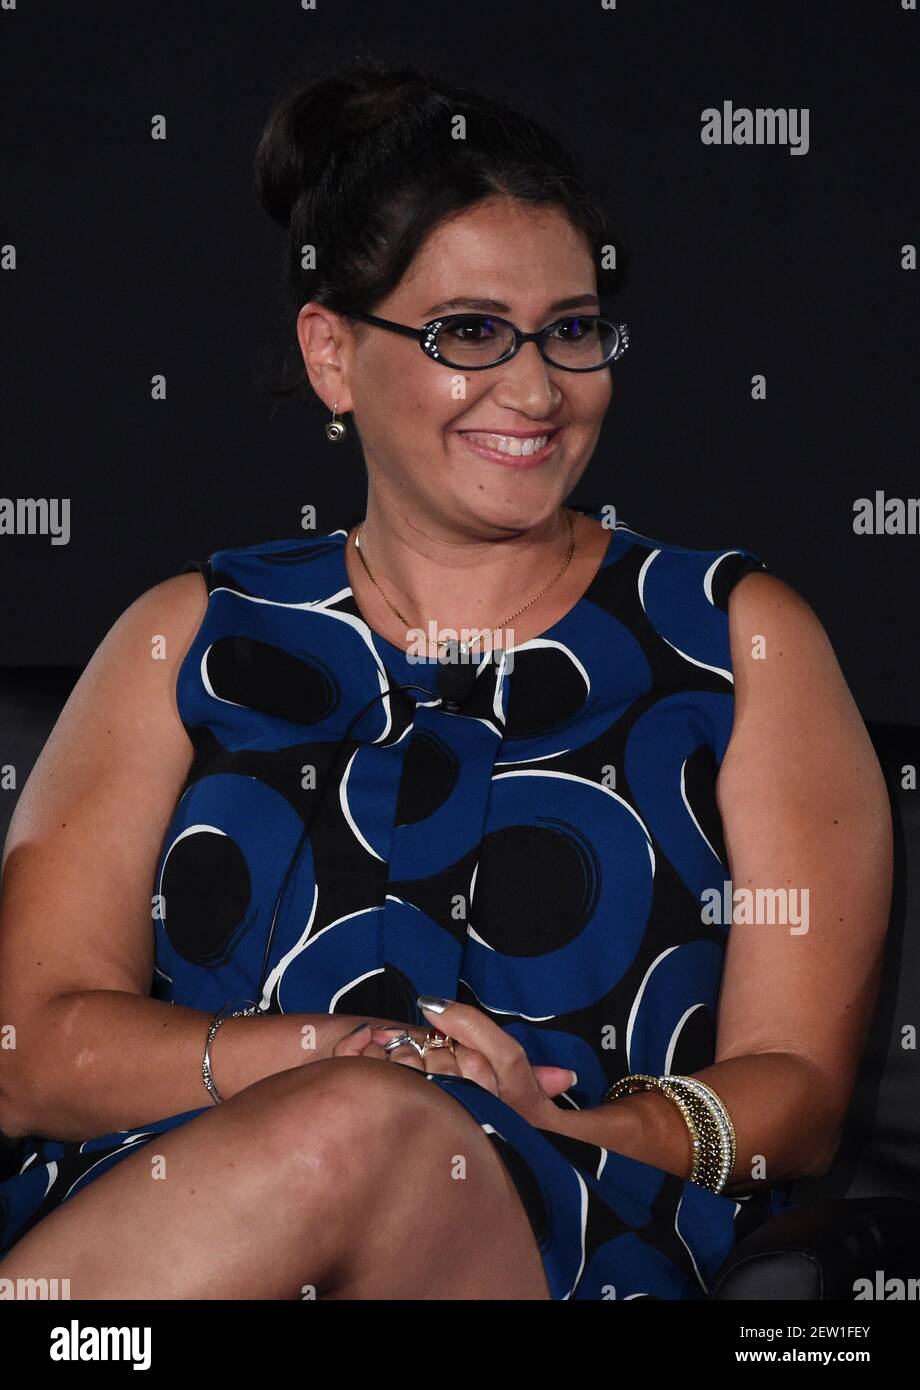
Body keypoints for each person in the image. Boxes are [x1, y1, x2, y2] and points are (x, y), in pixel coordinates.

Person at [0, 61, 892, 1300]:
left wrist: (561, 1122)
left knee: (372, 1130)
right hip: (166, 1236)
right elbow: (30, 1050)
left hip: (562, 1236)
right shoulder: (186, 633)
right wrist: (341, 1057)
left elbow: (791, 1092)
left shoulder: (737, 638)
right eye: (468, 331)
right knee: (354, 1116)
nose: (534, 389)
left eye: (570, 329)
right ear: (330, 353)